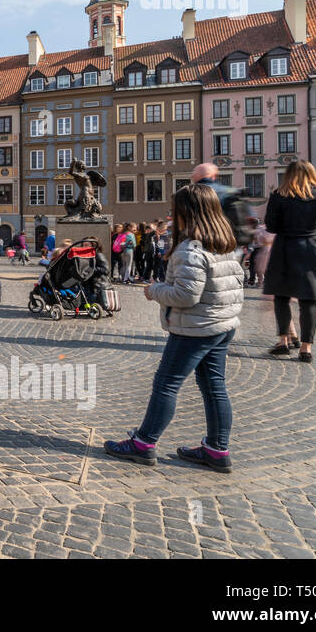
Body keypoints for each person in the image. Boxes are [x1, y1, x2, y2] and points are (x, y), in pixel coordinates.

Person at [103, 184, 243, 472]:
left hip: (195, 328)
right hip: (221, 324)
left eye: (174, 210)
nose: (171, 216)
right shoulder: (224, 242)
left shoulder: (190, 249)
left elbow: (185, 296)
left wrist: (155, 290)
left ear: (186, 213)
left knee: (166, 384)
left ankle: (143, 444)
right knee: (214, 386)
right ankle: (217, 449)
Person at [263, 160, 316, 363]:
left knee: (281, 297)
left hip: (286, 248)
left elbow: (271, 226)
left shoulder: (279, 195)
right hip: (315, 250)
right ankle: (306, 348)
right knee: (308, 300)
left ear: (288, 175)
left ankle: (283, 341)